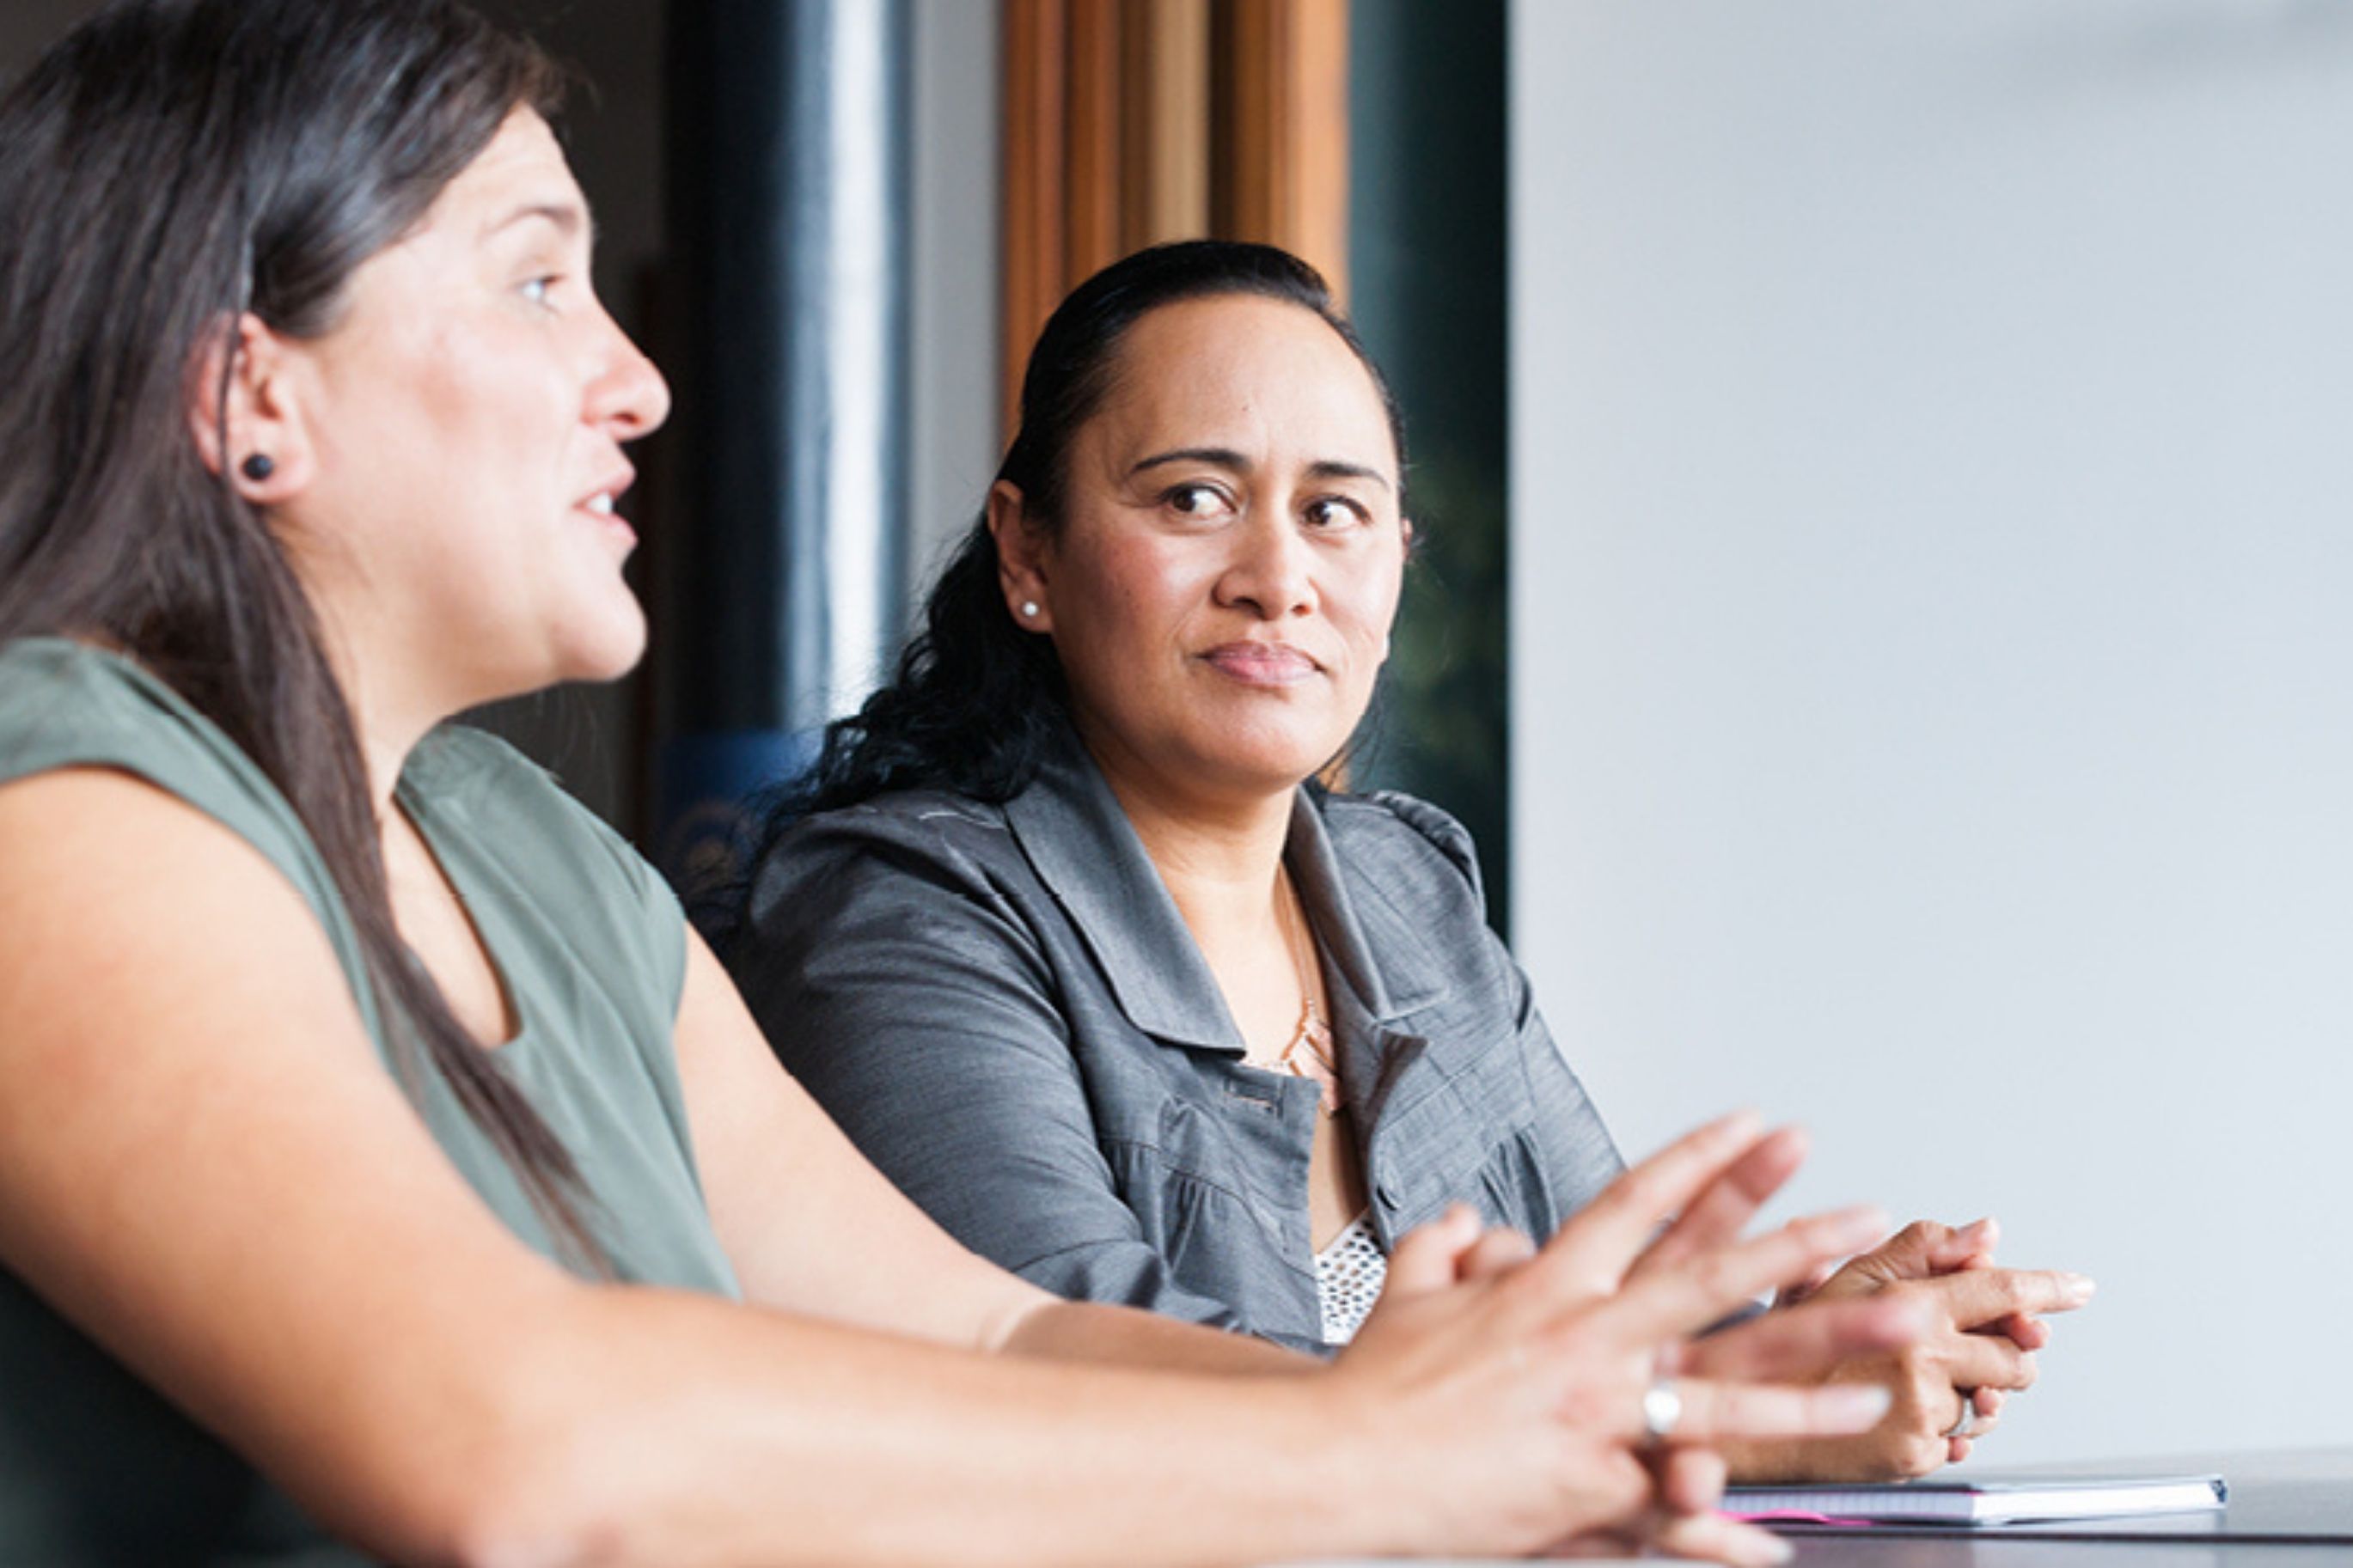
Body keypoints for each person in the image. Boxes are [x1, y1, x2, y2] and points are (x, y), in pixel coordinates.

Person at [0, 3, 1931, 1564]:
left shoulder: (531, 858)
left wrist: (1560, 1417)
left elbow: (984, 1328)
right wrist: (1379, 1468)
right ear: (253, 389)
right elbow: (520, 1450)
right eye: (535, 285)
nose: (637, 382)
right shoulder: (59, 809)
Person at [723, 239, 2095, 1485]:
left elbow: (1614, 1341)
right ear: (1029, 551)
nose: (1278, 574)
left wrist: (1800, 1362)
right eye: (1195, 496)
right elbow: (1072, 1383)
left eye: (1335, 512)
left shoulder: (1405, 894)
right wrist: (1692, 1410)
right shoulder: (896, 910)